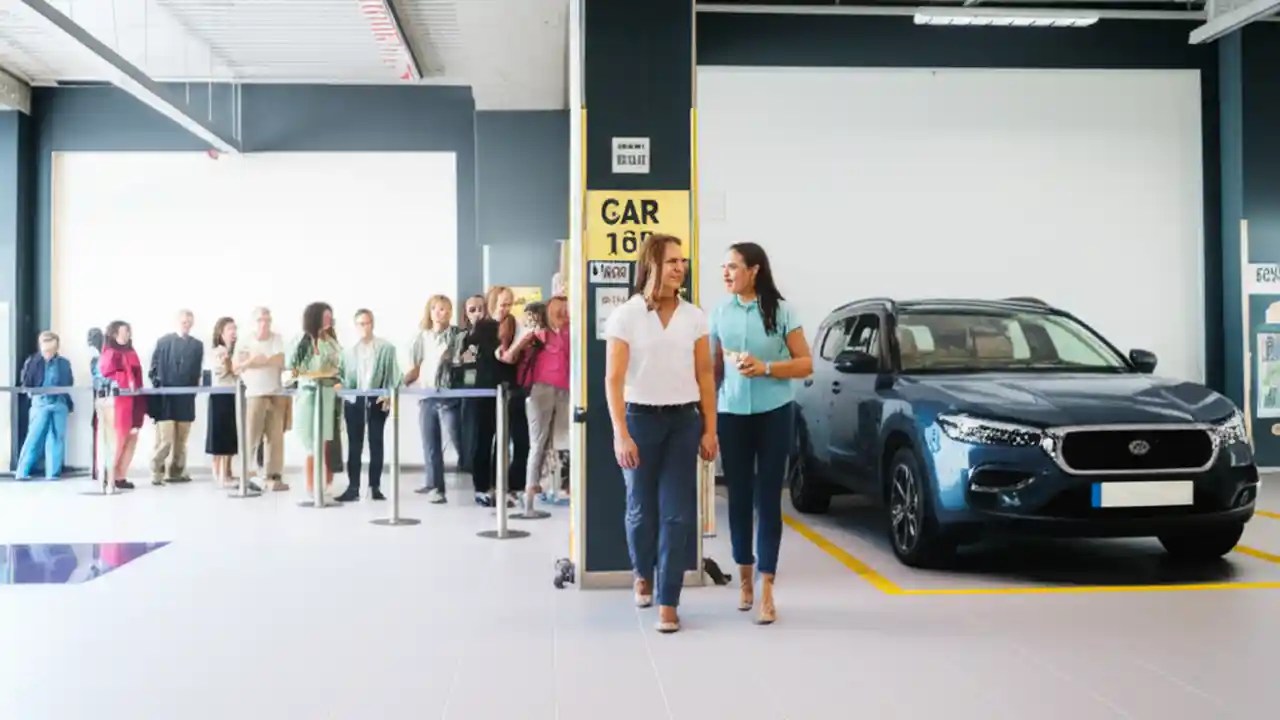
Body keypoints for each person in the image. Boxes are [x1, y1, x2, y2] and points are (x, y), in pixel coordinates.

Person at [604, 234, 718, 634]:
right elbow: (613, 379)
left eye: (682, 261)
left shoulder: (695, 316)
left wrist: (710, 428)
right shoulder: (626, 315)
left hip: (684, 422)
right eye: (671, 260)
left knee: (677, 514)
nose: (679, 267)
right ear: (651, 264)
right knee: (640, 510)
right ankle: (642, 573)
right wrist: (621, 433)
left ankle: (669, 600)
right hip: (639, 420)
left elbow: (705, 374)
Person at [710, 242, 813, 626]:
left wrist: (767, 368)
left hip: (774, 414)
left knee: (769, 500)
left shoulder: (783, 311)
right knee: (738, 499)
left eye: (733, 266)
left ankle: (768, 588)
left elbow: (805, 364)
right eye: (723, 267)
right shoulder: (720, 313)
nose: (725, 273)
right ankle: (745, 579)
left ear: (754, 270)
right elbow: (713, 371)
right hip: (731, 415)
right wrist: (706, 422)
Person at [504, 296, 570, 513]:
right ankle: (530, 489)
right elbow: (509, 356)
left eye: (565, 309)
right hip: (540, 390)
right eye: (557, 310)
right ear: (547, 312)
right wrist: (522, 341)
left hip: (565, 391)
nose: (562, 314)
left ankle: (553, 487)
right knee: (538, 441)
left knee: (559, 441)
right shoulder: (537, 334)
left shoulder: (571, 332)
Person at [405, 295, 469, 504]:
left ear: (450, 312)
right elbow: (416, 366)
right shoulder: (421, 337)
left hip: (449, 394)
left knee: (458, 438)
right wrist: (400, 383)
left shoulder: (457, 335)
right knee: (430, 442)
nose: (440, 312)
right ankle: (436, 486)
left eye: (444, 309)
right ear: (429, 312)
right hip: (427, 394)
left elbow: (462, 360)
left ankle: (474, 473)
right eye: (436, 309)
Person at [337, 308, 399, 502]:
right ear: (356, 326)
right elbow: (340, 375)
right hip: (354, 401)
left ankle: (375, 486)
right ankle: (353, 487)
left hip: (377, 399)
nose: (365, 327)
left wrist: (388, 396)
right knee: (354, 445)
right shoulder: (348, 352)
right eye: (361, 324)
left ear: (373, 324)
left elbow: (394, 376)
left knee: (376, 443)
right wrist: (340, 386)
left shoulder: (386, 348)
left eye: (368, 323)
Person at [290, 302, 344, 495]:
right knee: (311, 442)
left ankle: (327, 483)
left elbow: (340, 364)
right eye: (326, 316)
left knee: (325, 441)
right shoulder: (302, 340)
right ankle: (312, 486)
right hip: (308, 394)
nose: (329, 320)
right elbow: (292, 368)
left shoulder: (331, 341)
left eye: (331, 316)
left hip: (328, 393)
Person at [234, 307, 288, 492]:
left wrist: (258, 360)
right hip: (254, 394)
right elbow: (236, 367)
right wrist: (251, 361)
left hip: (275, 393)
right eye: (260, 320)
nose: (264, 323)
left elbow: (280, 360)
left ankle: (273, 476)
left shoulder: (277, 339)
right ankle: (244, 473)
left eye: (267, 319)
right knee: (251, 436)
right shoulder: (245, 341)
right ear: (254, 322)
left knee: (275, 438)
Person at [148, 309, 204, 485]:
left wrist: (193, 390)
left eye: (189, 321)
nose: (186, 324)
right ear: (177, 322)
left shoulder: (197, 345)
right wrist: (158, 385)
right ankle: (156, 469)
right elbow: (154, 368)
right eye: (183, 321)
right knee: (165, 439)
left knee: (181, 439)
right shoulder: (164, 342)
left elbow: (196, 371)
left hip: (186, 397)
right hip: (166, 398)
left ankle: (176, 472)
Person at [14, 331, 75, 480]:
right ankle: (22, 472)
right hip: (40, 401)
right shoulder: (32, 361)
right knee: (34, 437)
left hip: (59, 400)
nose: (48, 353)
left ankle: (53, 474)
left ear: (56, 348)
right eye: (45, 350)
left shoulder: (64, 363)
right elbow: (26, 382)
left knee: (56, 438)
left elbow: (69, 382)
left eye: (51, 350)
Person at [99, 321, 146, 490]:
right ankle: (108, 475)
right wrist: (127, 379)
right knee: (118, 439)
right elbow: (106, 375)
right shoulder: (109, 353)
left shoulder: (132, 352)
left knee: (132, 438)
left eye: (128, 332)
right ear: (114, 334)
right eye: (123, 331)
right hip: (118, 402)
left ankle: (121, 475)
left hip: (135, 400)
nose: (126, 335)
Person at [206, 317, 240, 488]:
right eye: (230, 329)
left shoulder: (235, 351)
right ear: (221, 332)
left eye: (235, 329)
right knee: (221, 436)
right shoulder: (218, 351)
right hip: (220, 395)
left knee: (231, 435)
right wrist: (231, 363)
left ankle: (227, 472)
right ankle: (220, 474)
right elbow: (227, 371)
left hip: (234, 395)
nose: (234, 332)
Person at [87, 328, 106, 481]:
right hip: (99, 399)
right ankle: (96, 469)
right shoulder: (94, 360)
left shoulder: (107, 357)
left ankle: (104, 469)